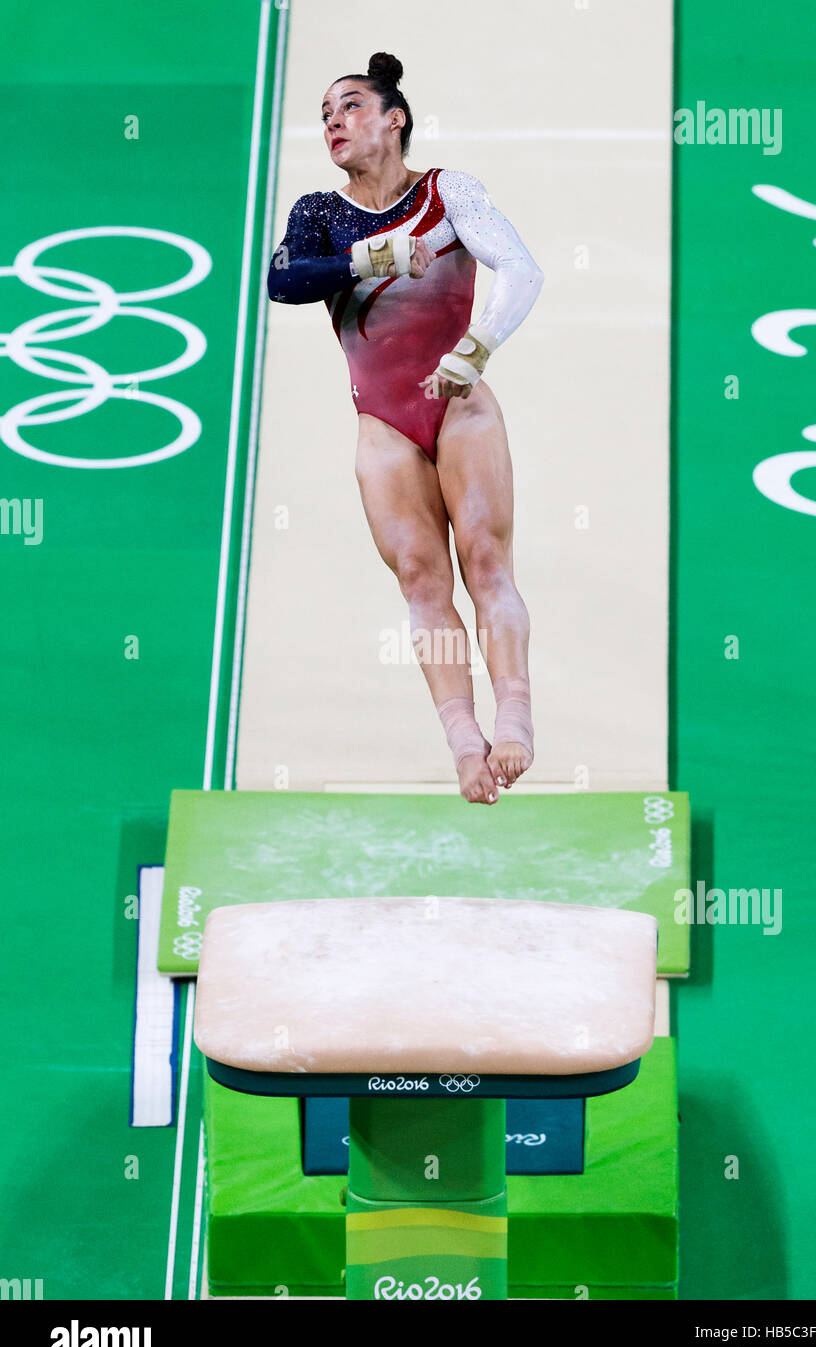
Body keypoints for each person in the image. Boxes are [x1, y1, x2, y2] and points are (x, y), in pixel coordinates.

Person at [268, 51, 544, 804]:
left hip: (460, 400)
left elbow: (522, 270)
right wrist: (371, 255)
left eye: (351, 105)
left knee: (485, 561)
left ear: (395, 118)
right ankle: (464, 744)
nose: (334, 121)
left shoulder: (446, 190)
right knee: (424, 581)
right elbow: (282, 281)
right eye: (326, 113)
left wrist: (477, 346)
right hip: (383, 423)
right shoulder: (318, 215)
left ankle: (515, 719)